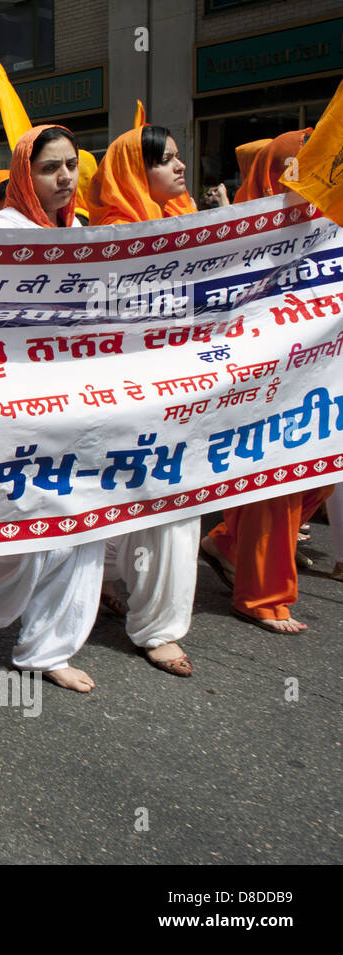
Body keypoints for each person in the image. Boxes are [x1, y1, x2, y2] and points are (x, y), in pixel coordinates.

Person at [0, 126, 104, 693]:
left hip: (83, 401)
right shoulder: (2, 230)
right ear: (24, 173)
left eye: (72, 165)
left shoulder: (85, 232)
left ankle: (49, 646)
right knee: (26, 528)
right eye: (50, 168)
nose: (65, 178)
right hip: (20, 404)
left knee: (85, 521)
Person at [198, 128, 332, 634]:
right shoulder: (236, 241)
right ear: (278, 175)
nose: (315, 183)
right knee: (275, 479)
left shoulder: (325, 227)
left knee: (320, 475)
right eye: (303, 172)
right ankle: (261, 594)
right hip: (259, 382)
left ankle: (228, 544)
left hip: (315, 376)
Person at [86, 124, 197, 675]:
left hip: (190, 390)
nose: (179, 167)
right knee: (145, 501)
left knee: (171, 504)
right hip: (129, 394)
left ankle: (144, 611)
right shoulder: (108, 238)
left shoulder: (189, 224)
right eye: (165, 160)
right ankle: (146, 616)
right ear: (135, 170)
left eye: (178, 157)